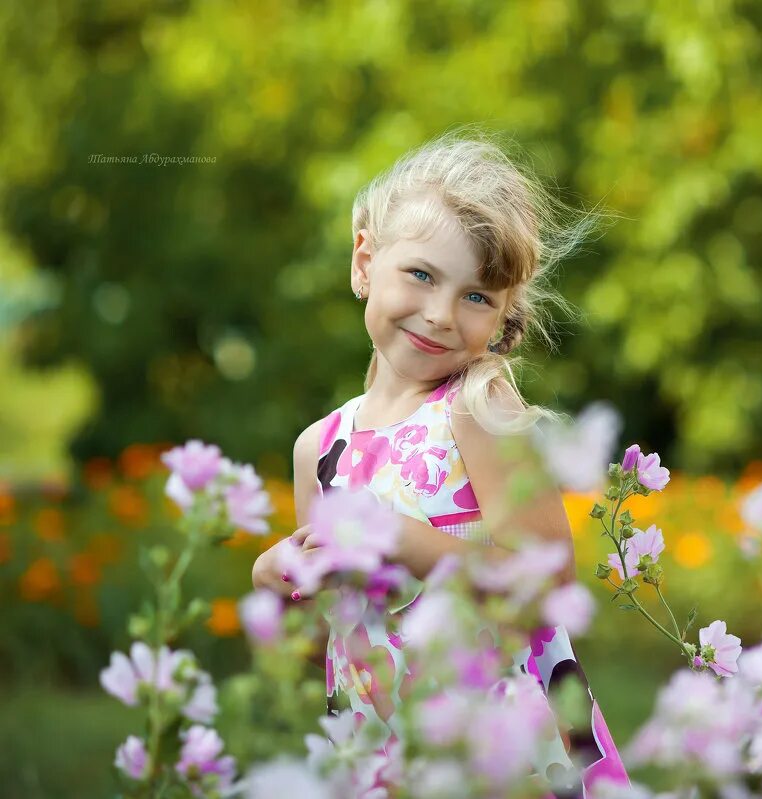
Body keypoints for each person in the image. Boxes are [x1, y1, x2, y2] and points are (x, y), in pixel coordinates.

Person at [251, 130, 628, 796]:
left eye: (477, 296)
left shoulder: (476, 407)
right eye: (421, 275)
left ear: (505, 315)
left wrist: (402, 539)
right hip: (382, 754)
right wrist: (279, 582)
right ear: (365, 262)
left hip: (502, 750)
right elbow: (332, 646)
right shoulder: (321, 448)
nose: (440, 314)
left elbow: (549, 584)